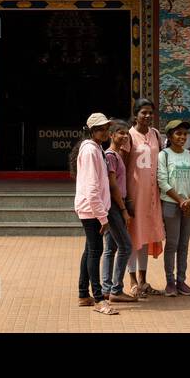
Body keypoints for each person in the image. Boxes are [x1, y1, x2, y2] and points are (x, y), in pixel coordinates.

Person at [72, 112, 118, 315]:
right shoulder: (91, 151)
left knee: (90, 249)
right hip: (92, 209)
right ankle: (99, 298)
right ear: (92, 131)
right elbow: (91, 187)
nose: (105, 132)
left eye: (106, 128)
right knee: (95, 251)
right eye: (101, 129)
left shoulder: (97, 148)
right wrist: (102, 217)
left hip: (92, 208)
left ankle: (84, 294)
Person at [126, 98, 166, 298]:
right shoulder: (128, 136)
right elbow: (122, 167)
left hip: (152, 195)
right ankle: (132, 281)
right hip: (135, 194)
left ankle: (143, 280)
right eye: (143, 112)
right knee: (134, 236)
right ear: (135, 114)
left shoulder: (156, 134)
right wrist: (125, 199)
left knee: (146, 236)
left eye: (150, 112)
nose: (147, 116)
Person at [157, 118, 190, 297]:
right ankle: (170, 282)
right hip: (170, 204)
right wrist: (180, 200)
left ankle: (181, 281)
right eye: (178, 133)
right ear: (170, 136)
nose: (182, 137)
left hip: (188, 205)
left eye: (184, 134)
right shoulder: (164, 155)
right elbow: (162, 181)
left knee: (184, 244)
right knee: (172, 244)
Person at [100, 120, 136, 305]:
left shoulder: (116, 155)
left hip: (113, 205)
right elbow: (113, 184)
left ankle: (106, 289)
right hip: (114, 206)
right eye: (120, 133)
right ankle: (116, 290)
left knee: (111, 248)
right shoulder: (111, 156)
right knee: (126, 246)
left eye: (126, 133)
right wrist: (123, 210)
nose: (124, 136)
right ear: (112, 135)